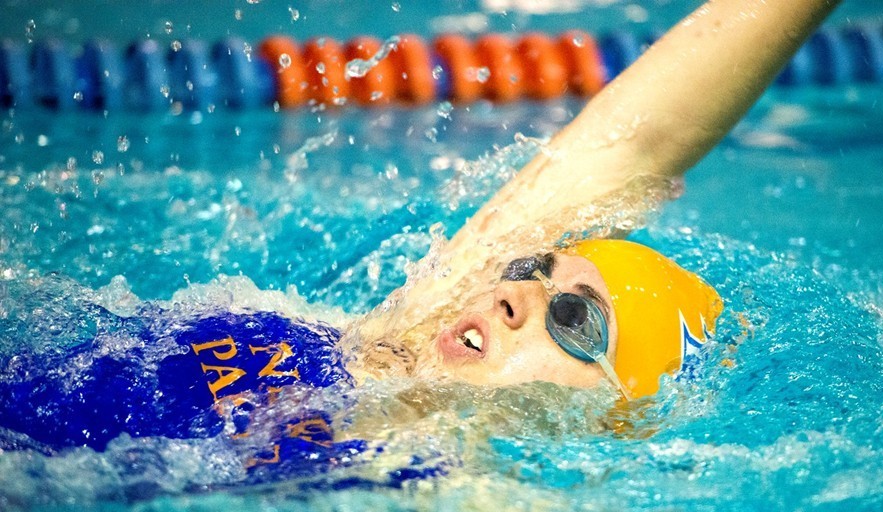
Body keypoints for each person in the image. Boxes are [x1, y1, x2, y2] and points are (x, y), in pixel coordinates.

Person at [0, 0, 838, 483]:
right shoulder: (391, 331)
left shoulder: (450, 483)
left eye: (575, 323)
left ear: (606, 413)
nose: (515, 295)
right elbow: (631, 145)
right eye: (531, 271)